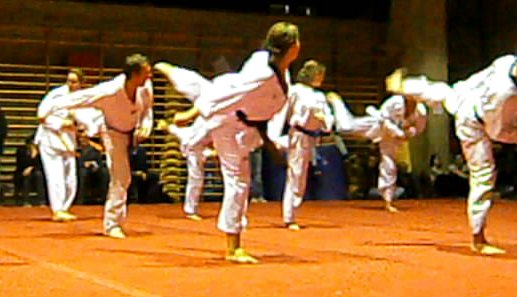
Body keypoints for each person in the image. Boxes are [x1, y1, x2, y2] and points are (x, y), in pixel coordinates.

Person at [390, 36, 517, 255]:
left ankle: (405, 85)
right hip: (474, 124)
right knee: (484, 174)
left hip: (470, 96)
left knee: (444, 93)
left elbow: (480, 80)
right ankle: (479, 239)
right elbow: (499, 132)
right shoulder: (509, 94)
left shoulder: (507, 62)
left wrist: (464, 91)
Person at [156, 22, 300, 264]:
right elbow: (225, 97)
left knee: (198, 87)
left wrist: (268, 143)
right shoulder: (263, 73)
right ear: (293, 48)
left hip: (239, 117)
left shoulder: (271, 64)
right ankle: (233, 247)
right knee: (238, 182)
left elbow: (260, 110)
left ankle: (168, 70)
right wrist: (190, 115)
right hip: (228, 121)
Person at [41, 54, 154, 238]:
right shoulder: (109, 91)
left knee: (124, 178)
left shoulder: (145, 87)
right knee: (122, 177)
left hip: (132, 130)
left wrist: (145, 127)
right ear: (134, 74)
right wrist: (47, 110)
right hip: (112, 132)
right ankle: (112, 225)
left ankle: (113, 222)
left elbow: (147, 109)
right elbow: (79, 98)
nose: (150, 76)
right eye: (146, 73)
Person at [329, 86, 427, 214]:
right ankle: (336, 101)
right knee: (345, 128)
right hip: (378, 125)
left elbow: (418, 129)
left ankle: (388, 200)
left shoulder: (421, 112)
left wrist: (409, 133)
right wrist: (397, 132)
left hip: (393, 139)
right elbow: (384, 119)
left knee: (390, 165)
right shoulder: (395, 101)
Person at [268, 60, 334, 230]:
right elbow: (282, 110)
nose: (321, 78)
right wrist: (273, 135)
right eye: (319, 75)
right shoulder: (296, 91)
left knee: (301, 176)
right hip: (297, 135)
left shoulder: (319, 96)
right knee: (295, 174)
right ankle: (289, 216)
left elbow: (328, 118)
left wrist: (324, 121)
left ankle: (293, 212)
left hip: (312, 138)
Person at [35, 69, 84, 222]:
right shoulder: (56, 95)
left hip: (68, 141)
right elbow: (41, 115)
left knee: (71, 178)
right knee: (56, 176)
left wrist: (83, 128)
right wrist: (63, 123)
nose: (71, 84)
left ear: (81, 83)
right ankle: (58, 210)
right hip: (50, 140)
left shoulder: (82, 98)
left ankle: (65, 207)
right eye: (69, 80)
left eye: (75, 81)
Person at [12, 132, 45, 206]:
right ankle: (25, 201)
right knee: (27, 176)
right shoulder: (21, 150)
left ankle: (41, 201)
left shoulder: (42, 152)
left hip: (37, 172)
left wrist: (33, 165)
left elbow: (41, 165)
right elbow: (21, 163)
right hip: (23, 171)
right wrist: (31, 158)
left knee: (38, 175)